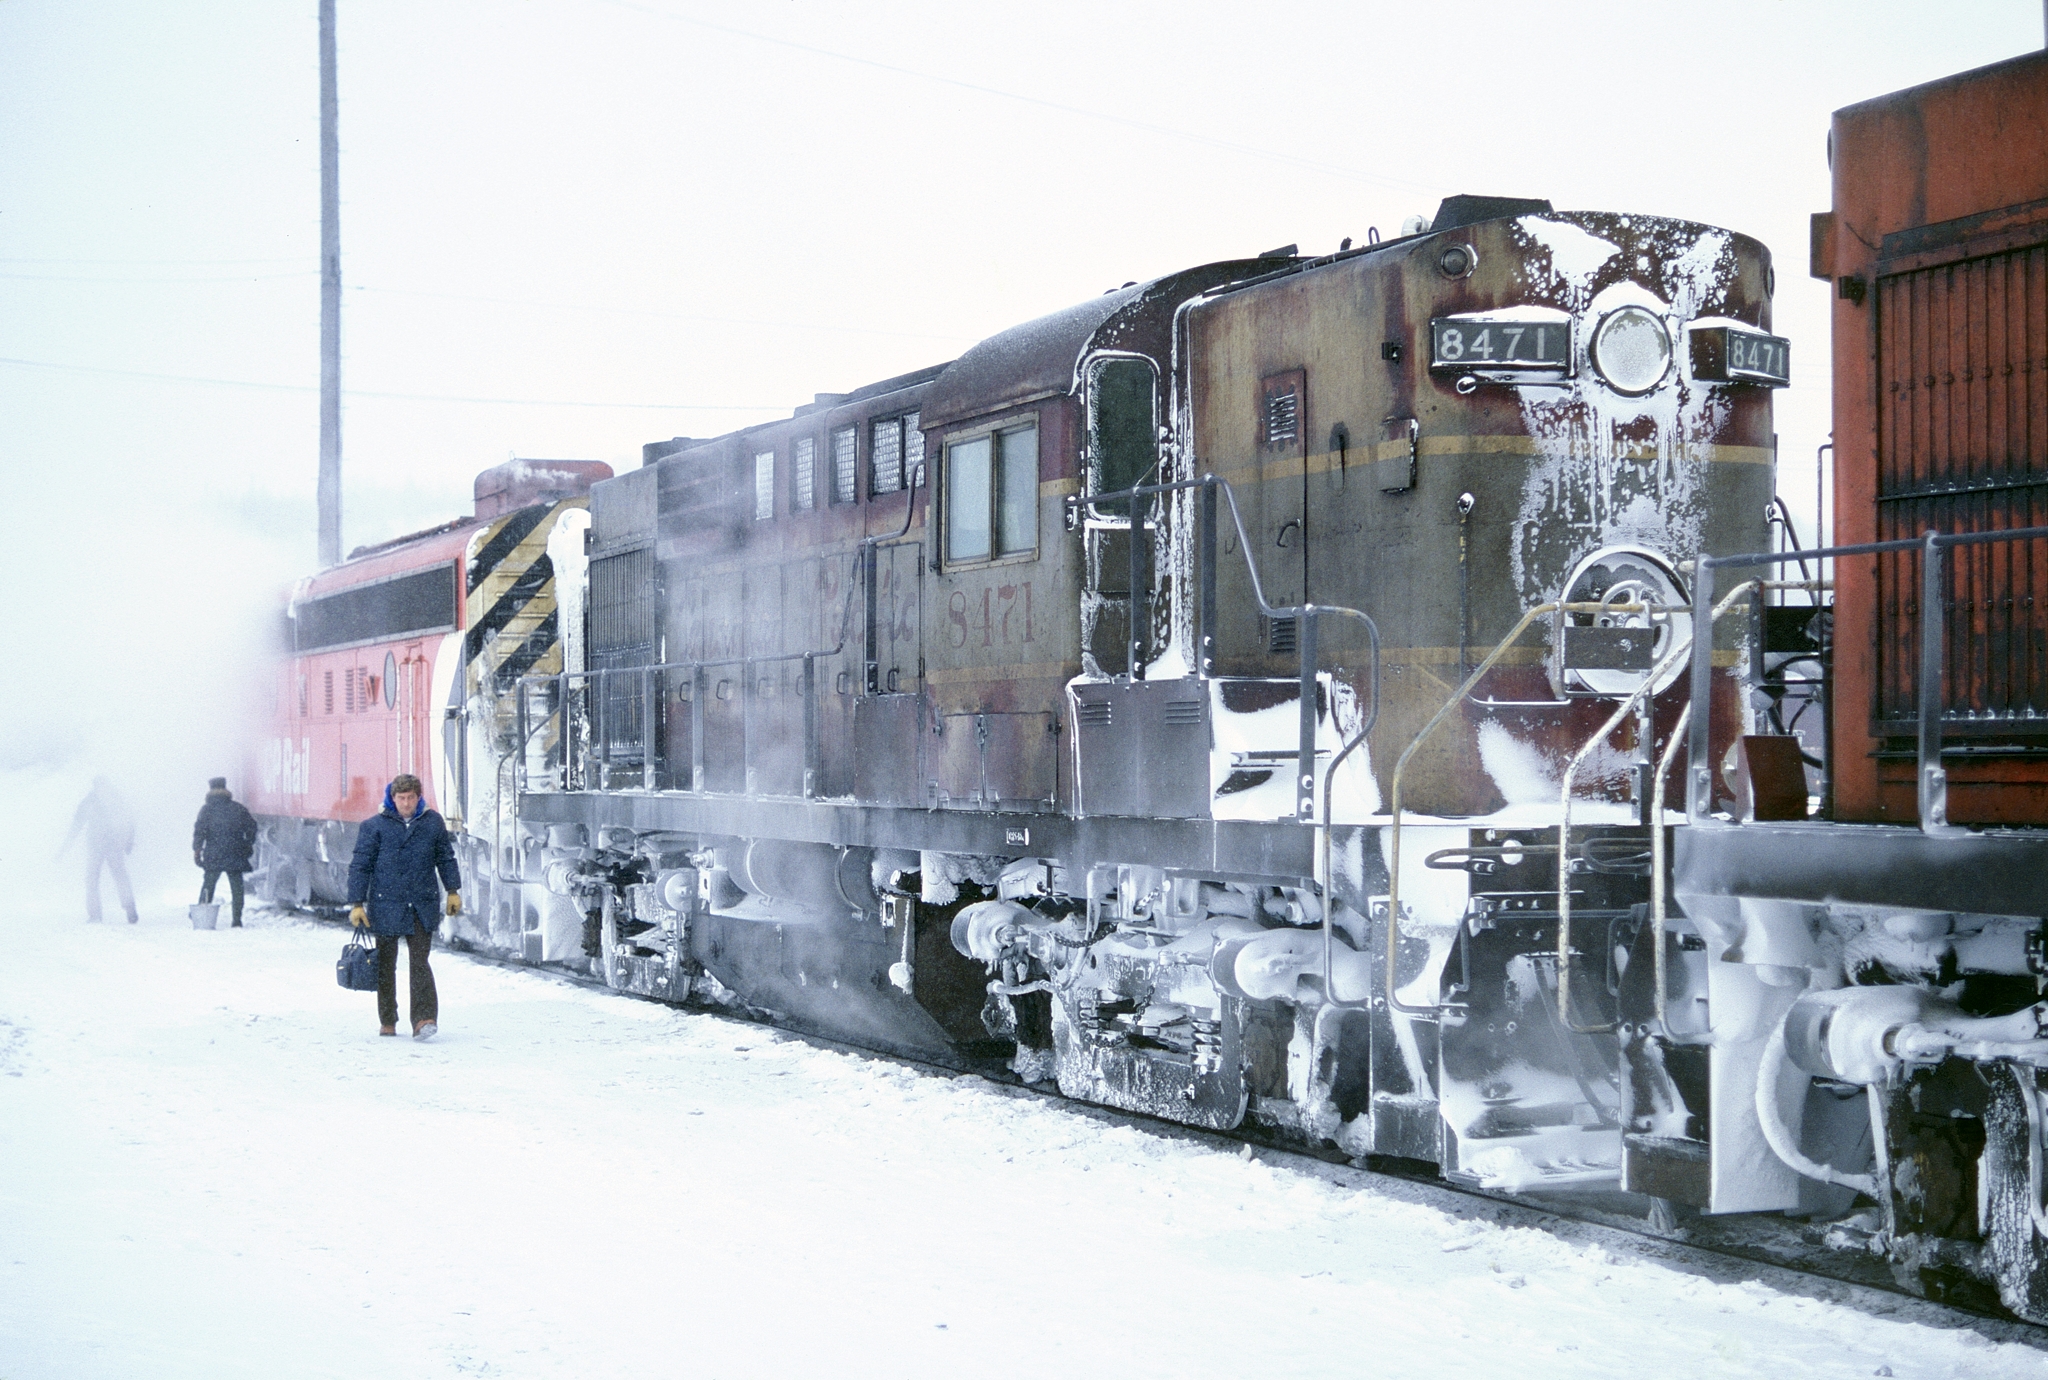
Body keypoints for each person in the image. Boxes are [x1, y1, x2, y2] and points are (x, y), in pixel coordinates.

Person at [346, 773, 460, 1040]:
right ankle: (388, 1019)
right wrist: (356, 903)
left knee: (420, 961)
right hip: (386, 904)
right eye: (401, 798)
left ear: (419, 798)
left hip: (421, 903)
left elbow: (445, 857)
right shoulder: (374, 827)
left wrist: (453, 890)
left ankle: (424, 1019)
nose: (406, 803)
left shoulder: (432, 824)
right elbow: (360, 866)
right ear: (391, 798)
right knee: (386, 964)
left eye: (411, 798)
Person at [63, 776, 138, 925]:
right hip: (111, 845)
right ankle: (130, 910)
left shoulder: (90, 801)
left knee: (92, 880)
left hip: (97, 846)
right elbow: (129, 820)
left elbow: (76, 825)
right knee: (120, 877)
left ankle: (95, 915)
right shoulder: (115, 799)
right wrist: (128, 842)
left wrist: (65, 848)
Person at [192, 776, 259, 927]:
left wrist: (197, 850)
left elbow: (199, 831)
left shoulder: (206, 810)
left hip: (213, 853)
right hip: (235, 851)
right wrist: (247, 844)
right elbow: (252, 827)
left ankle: (202, 915)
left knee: (208, 885)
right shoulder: (238, 808)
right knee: (237, 888)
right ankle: (237, 919)